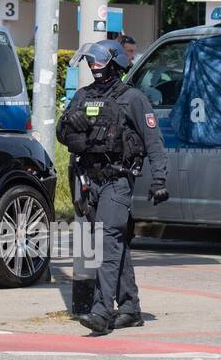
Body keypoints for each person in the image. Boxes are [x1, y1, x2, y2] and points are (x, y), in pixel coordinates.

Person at [57, 39, 168, 334]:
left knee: (107, 242)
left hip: (117, 180)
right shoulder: (83, 96)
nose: (93, 66)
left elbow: (153, 141)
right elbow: (62, 131)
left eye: (99, 62)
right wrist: (71, 122)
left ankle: (101, 312)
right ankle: (130, 308)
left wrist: (159, 179)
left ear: (115, 64)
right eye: (91, 62)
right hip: (87, 180)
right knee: (115, 242)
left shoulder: (133, 99)